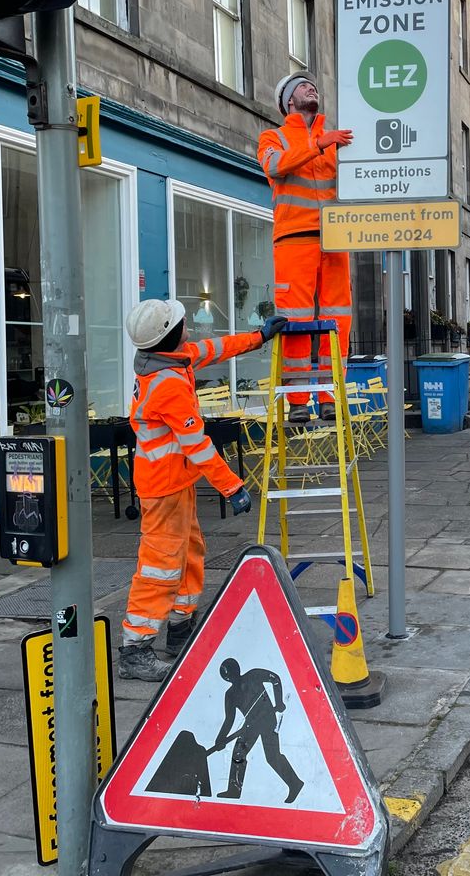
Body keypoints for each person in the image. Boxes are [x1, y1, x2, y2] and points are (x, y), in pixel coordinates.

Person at [117, 299, 287, 681]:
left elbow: (218, 348)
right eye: (182, 323)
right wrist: (232, 487)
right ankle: (135, 649)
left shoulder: (168, 361)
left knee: (190, 554)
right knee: (159, 564)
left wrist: (259, 337)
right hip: (163, 488)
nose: (189, 326)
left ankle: (180, 627)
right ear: (172, 335)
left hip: (175, 482)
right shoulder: (169, 385)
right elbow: (197, 445)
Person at [259, 73, 353, 424]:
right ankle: (298, 401)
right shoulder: (274, 137)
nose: (310, 87)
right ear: (288, 101)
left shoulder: (337, 139)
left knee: (338, 318)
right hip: (294, 238)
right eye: (301, 86)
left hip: (335, 238)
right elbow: (273, 165)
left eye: (312, 85)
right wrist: (318, 144)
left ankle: (330, 396)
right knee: (295, 321)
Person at [211, 657, 303, 803]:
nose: (232, 677)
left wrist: (279, 702)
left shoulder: (253, 675)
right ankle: (234, 790)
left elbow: (275, 678)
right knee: (238, 753)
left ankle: (295, 783)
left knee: (272, 757)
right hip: (250, 726)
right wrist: (220, 738)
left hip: (267, 720)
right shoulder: (230, 694)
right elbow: (229, 719)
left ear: (237, 670)